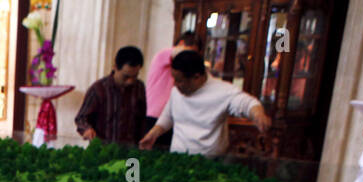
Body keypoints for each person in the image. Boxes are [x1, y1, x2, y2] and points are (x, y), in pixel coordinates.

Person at [138, 49, 269, 157]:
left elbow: (247, 103)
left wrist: (258, 115)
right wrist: (153, 134)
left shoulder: (223, 91)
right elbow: (167, 117)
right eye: (174, 79)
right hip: (177, 158)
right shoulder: (176, 91)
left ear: (196, 77)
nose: (175, 84)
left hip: (209, 162)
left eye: (180, 81)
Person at [75, 46, 147, 146]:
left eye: (135, 76)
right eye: (126, 77)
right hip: (102, 148)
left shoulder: (139, 87)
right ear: (115, 67)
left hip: (129, 149)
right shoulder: (98, 89)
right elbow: (81, 118)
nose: (130, 81)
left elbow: (141, 120)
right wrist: (87, 129)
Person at [144, 30, 199, 151]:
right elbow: (183, 53)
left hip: (171, 117)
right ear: (181, 43)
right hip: (155, 115)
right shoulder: (163, 55)